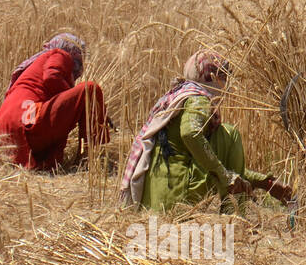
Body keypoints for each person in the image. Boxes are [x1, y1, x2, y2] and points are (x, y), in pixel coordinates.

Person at [120, 50, 293, 213]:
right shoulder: (198, 100)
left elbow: (210, 159)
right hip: (177, 197)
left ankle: (235, 213)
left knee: (215, 147)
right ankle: (234, 216)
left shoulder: (177, 97)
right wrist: (225, 176)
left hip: (158, 200)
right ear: (214, 77)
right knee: (230, 133)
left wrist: (265, 182)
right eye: (223, 76)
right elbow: (190, 134)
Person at [0, 33, 111, 171]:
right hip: (25, 117)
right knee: (90, 89)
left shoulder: (35, 67)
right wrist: (81, 99)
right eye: (79, 57)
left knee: (85, 95)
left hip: (8, 128)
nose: (80, 63)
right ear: (72, 50)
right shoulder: (60, 54)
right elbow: (52, 76)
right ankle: (93, 158)